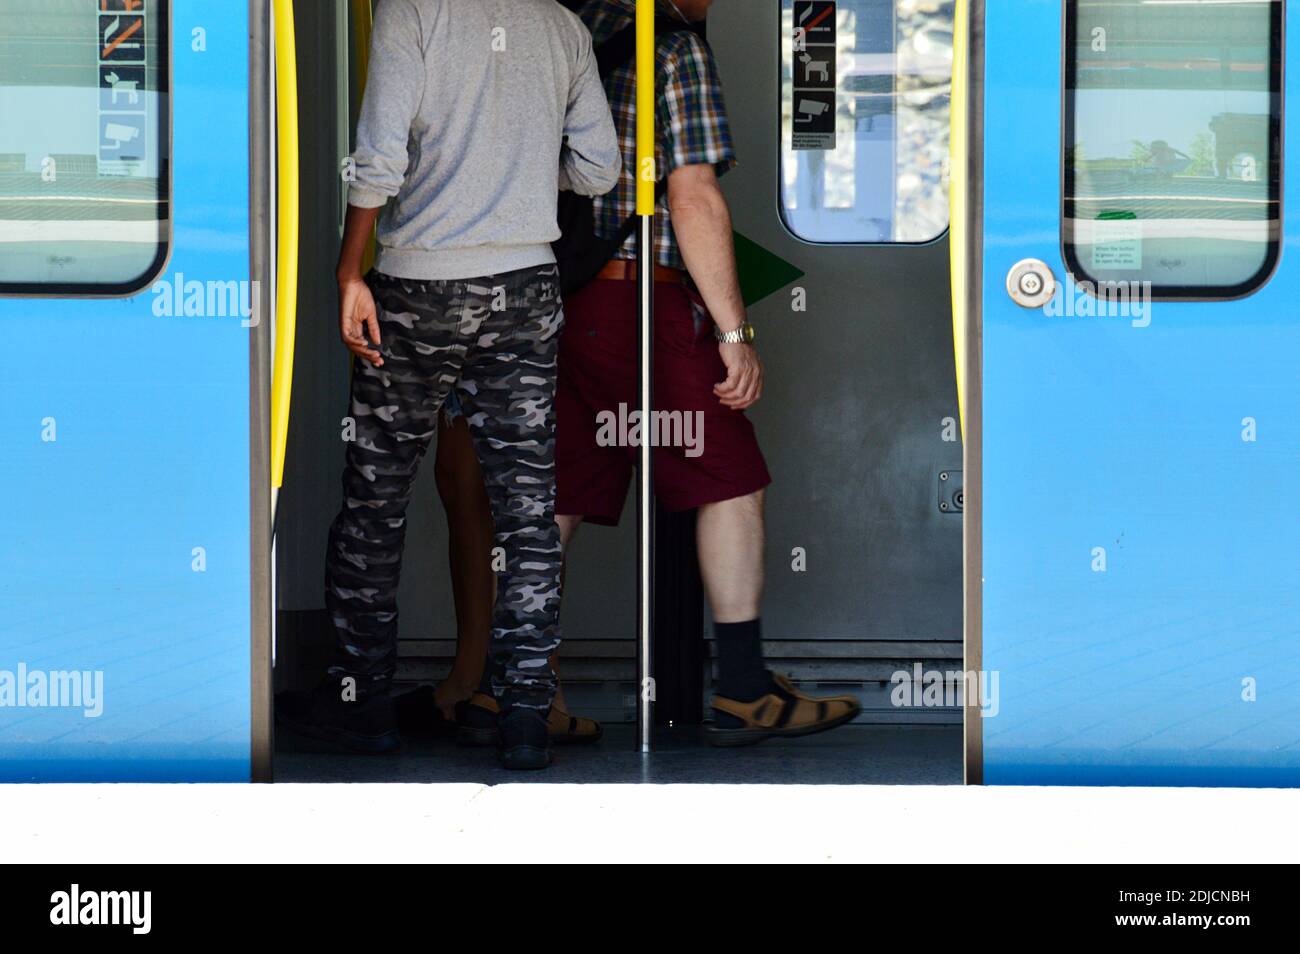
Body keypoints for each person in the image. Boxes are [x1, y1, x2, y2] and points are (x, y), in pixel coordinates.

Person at [276, 0, 621, 770]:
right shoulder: (561, 26)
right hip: (528, 288)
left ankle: (362, 707)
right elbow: (601, 168)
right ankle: (527, 715)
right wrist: (523, 177)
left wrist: (346, 270)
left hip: (420, 286)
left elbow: (380, 159)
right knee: (527, 512)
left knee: (376, 501)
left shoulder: (414, 12)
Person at [553, 0, 861, 745]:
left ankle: (519, 686)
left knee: (555, 488)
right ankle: (747, 689)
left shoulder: (562, 29)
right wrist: (733, 331)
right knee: (730, 479)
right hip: (640, 304)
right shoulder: (675, 48)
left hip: (558, 295)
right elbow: (690, 195)